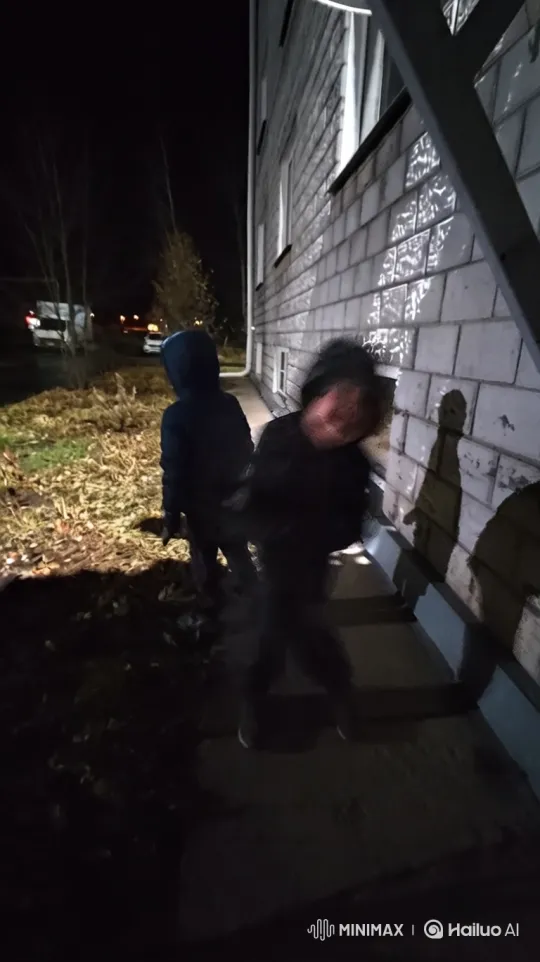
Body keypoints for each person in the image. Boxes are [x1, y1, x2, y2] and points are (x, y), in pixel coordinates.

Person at [234, 338, 383, 748]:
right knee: (270, 634)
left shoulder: (353, 465)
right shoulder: (280, 436)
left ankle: (339, 693)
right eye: (336, 410)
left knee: (309, 634)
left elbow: (350, 525)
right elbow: (255, 494)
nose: (341, 425)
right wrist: (256, 520)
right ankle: (254, 698)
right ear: (317, 396)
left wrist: (315, 532)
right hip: (276, 561)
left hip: (313, 565)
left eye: (355, 420)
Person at [160, 329, 257, 609]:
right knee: (238, 551)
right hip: (231, 499)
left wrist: (170, 515)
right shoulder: (229, 403)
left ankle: (211, 603)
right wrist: (243, 487)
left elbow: (174, 470)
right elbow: (245, 446)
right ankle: (254, 601)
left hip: (200, 507)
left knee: (203, 556)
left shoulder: (176, 416)